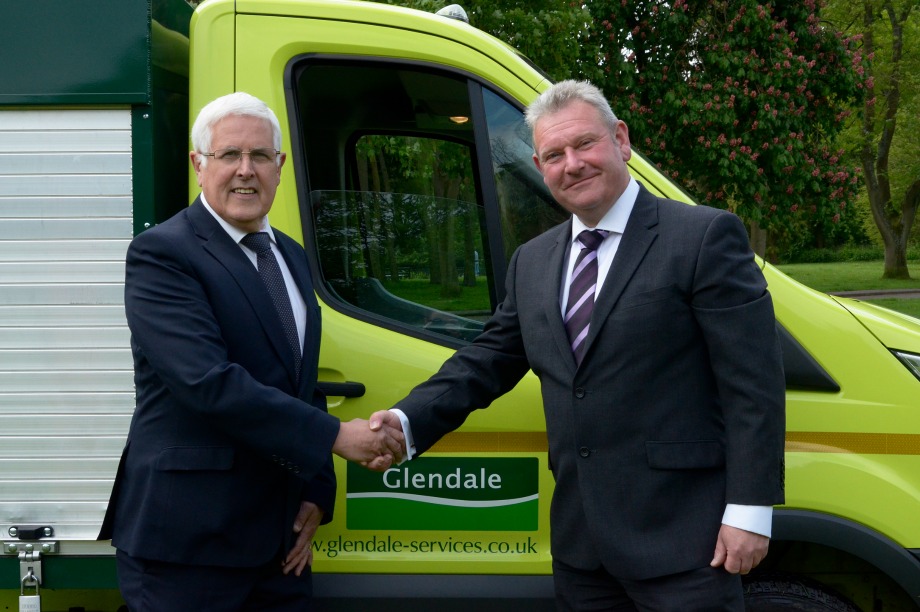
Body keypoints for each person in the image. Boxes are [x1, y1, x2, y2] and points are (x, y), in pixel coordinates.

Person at [369, 80, 785, 610]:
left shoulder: (702, 236)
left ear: (620, 140)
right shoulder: (532, 261)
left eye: (584, 144)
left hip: (688, 542)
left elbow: (753, 382)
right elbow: (487, 360)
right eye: (554, 155)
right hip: (582, 549)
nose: (572, 164)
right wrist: (405, 422)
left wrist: (750, 510)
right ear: (539, 167)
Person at [98, 91, 402, 611]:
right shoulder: (163, 254)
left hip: (280, 545)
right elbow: (206, 382)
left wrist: (316, 490)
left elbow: (301, 381)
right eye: (229, 155)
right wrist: (335, 438)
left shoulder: (291, 255)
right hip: (188, 549)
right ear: (198, 165)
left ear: (279, 166)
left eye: (260, 155)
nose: (246, 170)